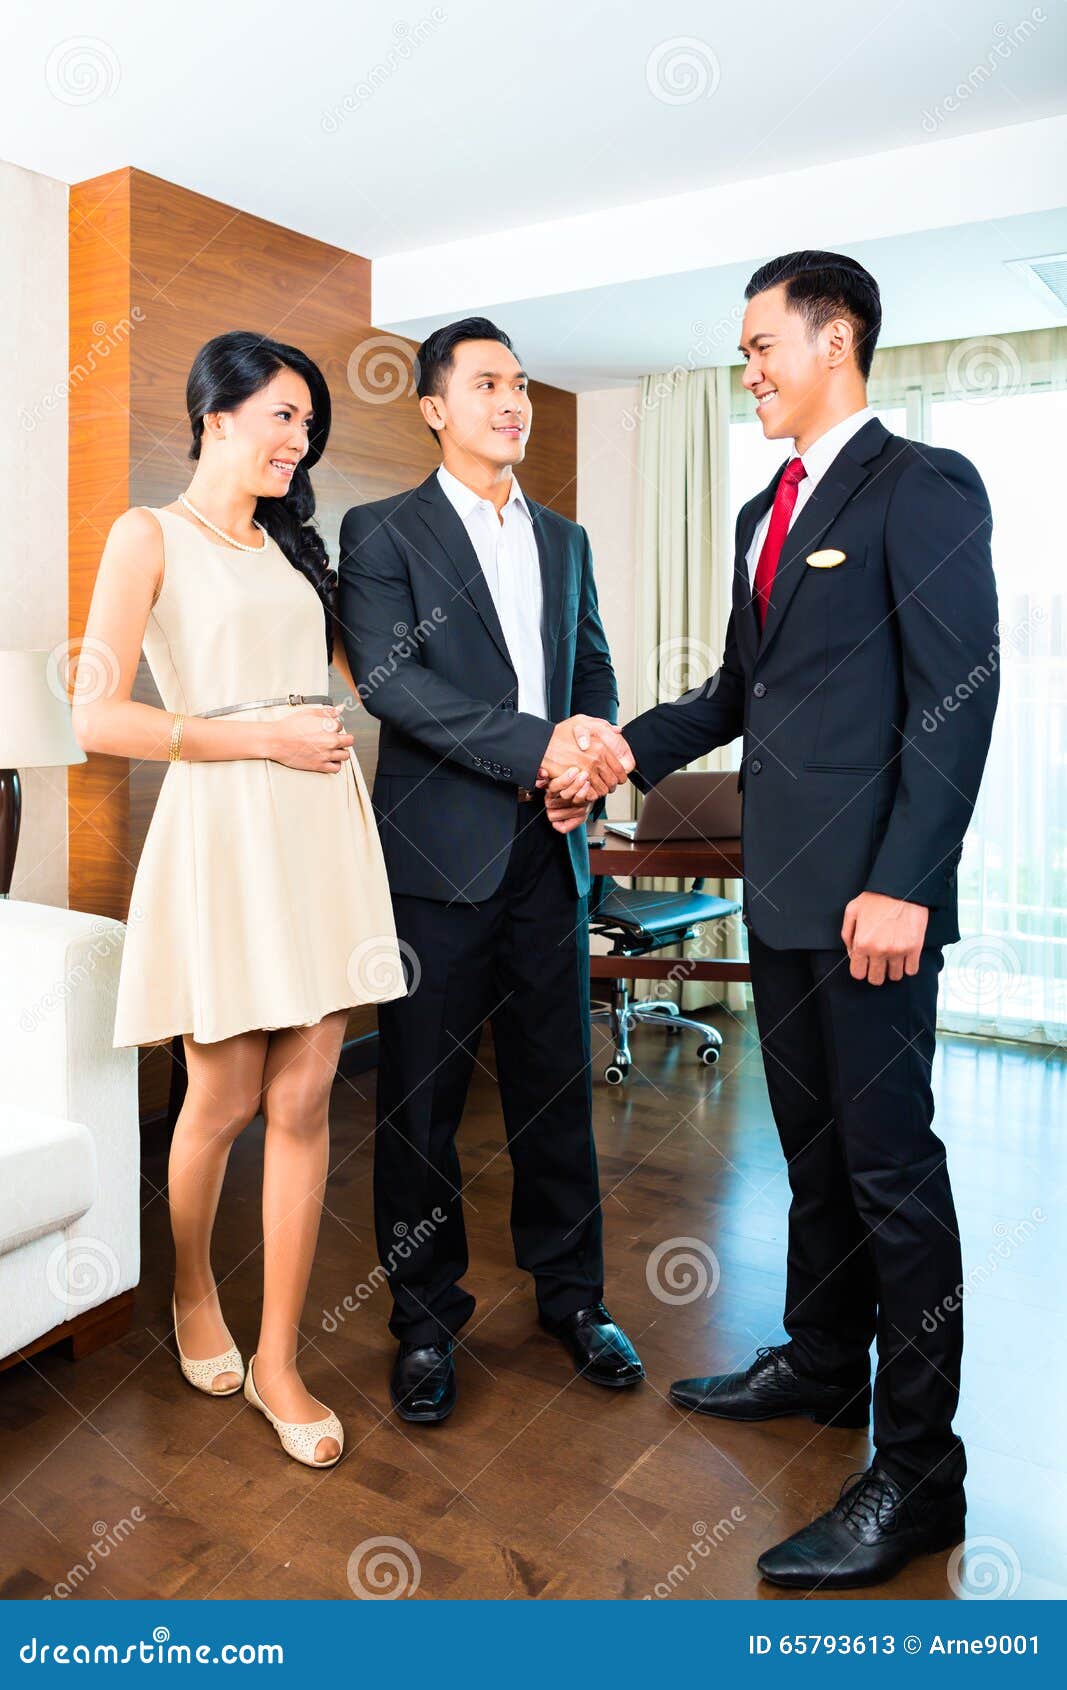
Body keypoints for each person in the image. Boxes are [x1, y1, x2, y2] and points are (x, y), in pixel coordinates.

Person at [552, 252, 1000, 1587]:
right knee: (813, 1151)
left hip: (871, 902)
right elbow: (733, 695)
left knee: (890, 1175)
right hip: (786, 890)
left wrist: (903, 881)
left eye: (760, 345)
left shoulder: (919, 484)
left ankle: (917, 1470)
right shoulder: (763, 507)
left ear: (834, 340)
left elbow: (957, 696)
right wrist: (614, 748)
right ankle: (818, 1362)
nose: (744, 367)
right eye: (741, 349)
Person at [74, 330, 406, 1470]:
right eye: (282, 415)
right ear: (215, 415)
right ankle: (191, 1291)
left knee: (306, 1097)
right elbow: (96, 717)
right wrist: (262, 736)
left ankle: (278, 1358)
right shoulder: (148, 534)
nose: (299, 439)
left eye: (308, 423)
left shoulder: (294, 552)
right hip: (223, 830)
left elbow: (381, 685)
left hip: (320, 831)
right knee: (219, 1093)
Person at [337, 317, 643, 1423]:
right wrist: (538, 749)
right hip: (437, 859)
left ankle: (573, 1298)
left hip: (549, 850)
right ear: (434, 408)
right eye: (485, 384)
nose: (512, 401)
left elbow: (591, 669)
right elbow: (391, 685)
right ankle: (424, 1321)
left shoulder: (565, 539)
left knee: (554, 1088)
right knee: (421, 1100)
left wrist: (584, 762)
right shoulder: (381, 530)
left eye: (518, 383)